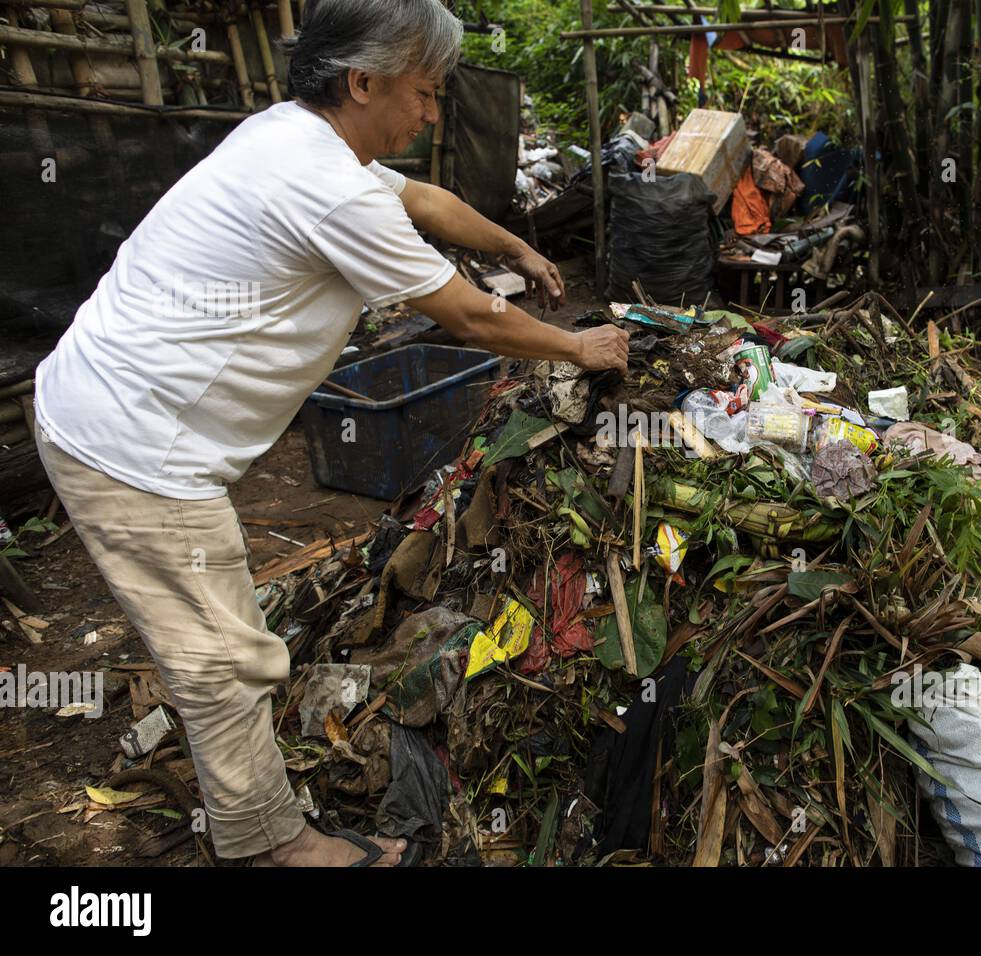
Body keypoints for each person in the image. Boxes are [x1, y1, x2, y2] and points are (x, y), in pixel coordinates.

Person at [33, 0, 628, 867]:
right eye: (424, 93)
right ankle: (270, 846)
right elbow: (467, 316)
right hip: (131, 449)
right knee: (224, 660)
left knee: (222, 643)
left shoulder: (295, 136)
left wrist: (522, 249)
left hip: (110, 409)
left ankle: (259, 817)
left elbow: (424, 198)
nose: (431, 113)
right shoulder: (326, 186)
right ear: (362, 80)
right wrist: (579, 344)